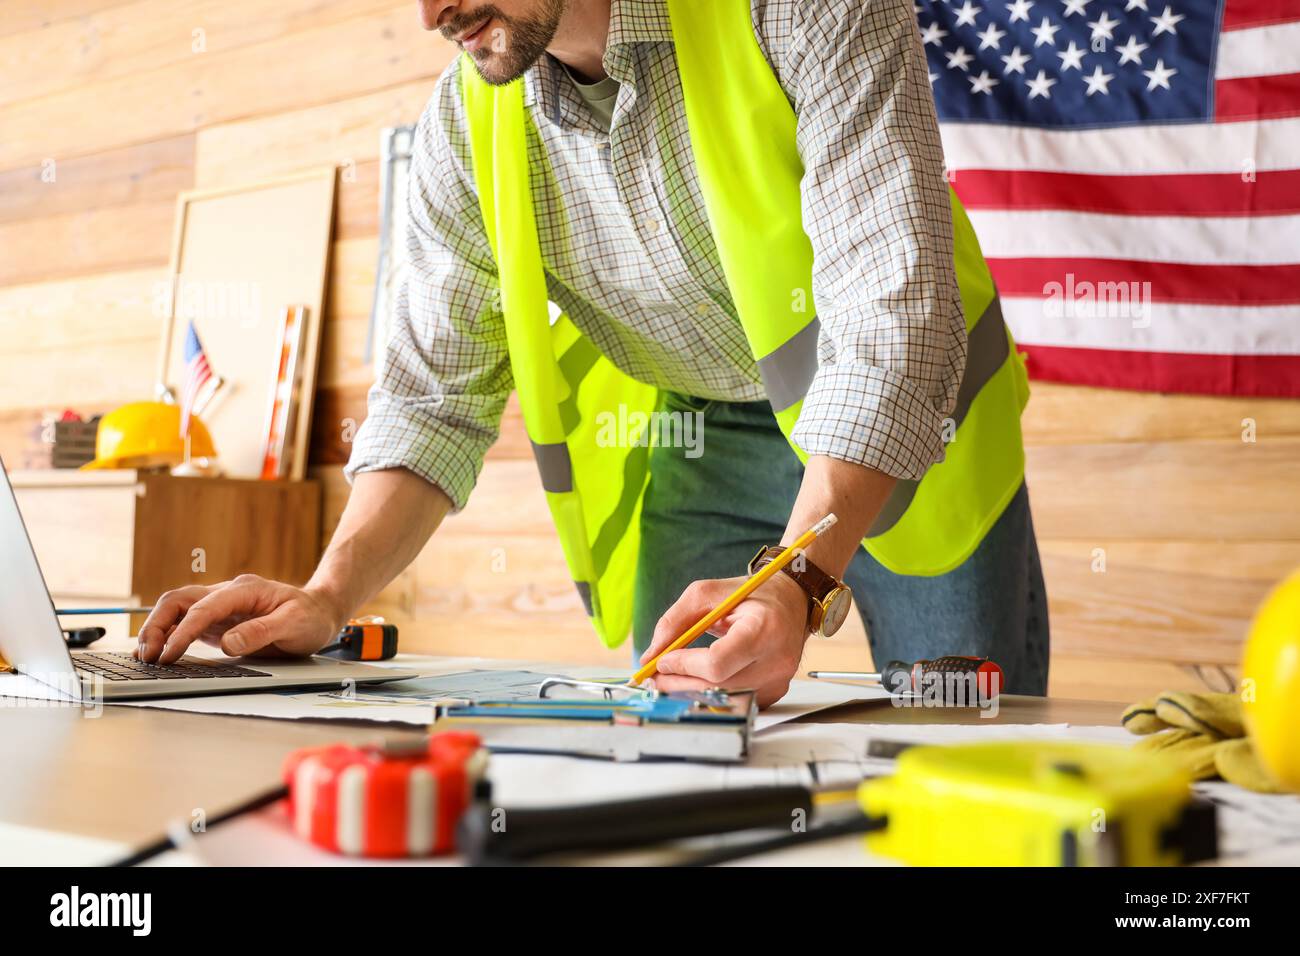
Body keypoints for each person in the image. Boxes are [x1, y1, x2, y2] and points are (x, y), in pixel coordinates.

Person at [138, 0, 1049, 707]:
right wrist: (329, 595)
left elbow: (893, 318)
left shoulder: (800, 9)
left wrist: (798, 578)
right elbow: (430, 400)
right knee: (679, 738)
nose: (430, 15)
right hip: (706, 434)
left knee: (961, 737)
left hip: (914, 424)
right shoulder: (465, 127)